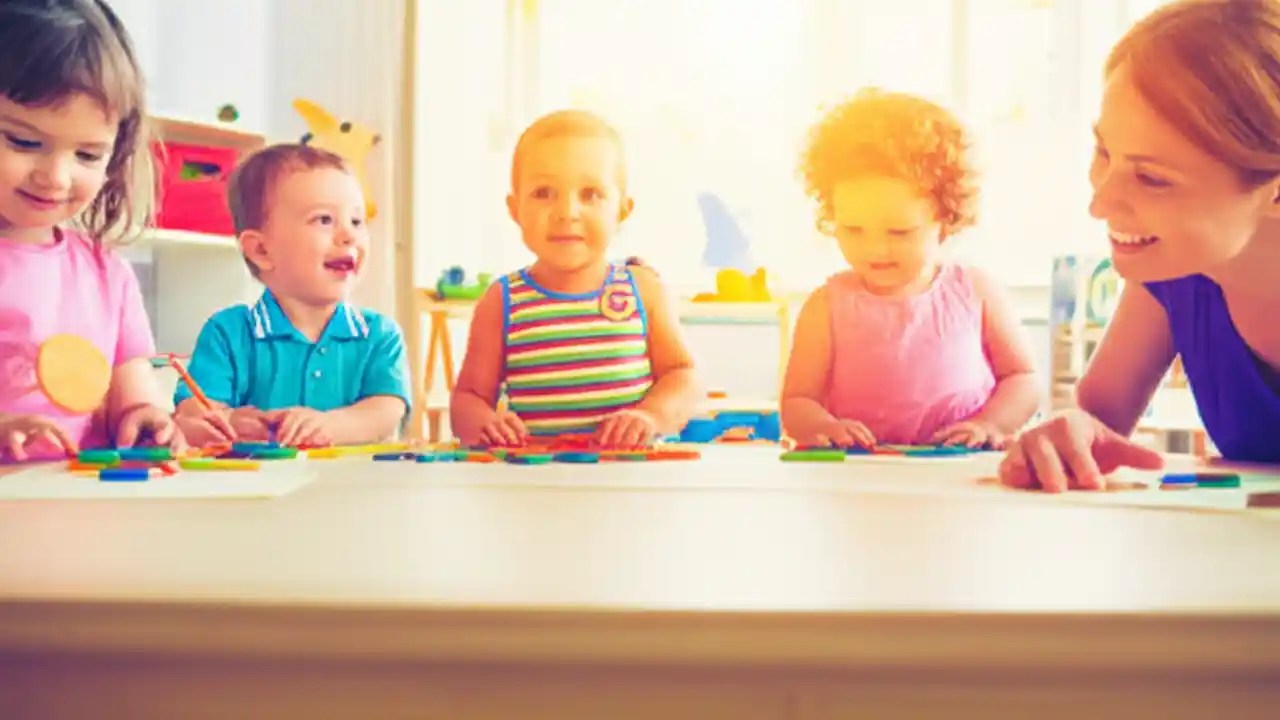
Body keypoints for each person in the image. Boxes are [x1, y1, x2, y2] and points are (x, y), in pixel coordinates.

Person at [1001, 0, 1280, 492]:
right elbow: (1097, 423)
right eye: (1104, 152)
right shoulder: (1176, 273)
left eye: (1151, 178)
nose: (1101, 202)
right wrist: (1067, 434)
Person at [783, 88, 1041, 449]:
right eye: (852, 229)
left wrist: (989, 424)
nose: (875, 248)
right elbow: (797, 403)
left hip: (962, 469)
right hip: (862, 475)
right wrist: (822, 426)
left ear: (946, 219)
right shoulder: (825, 306)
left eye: (900, 232)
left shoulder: (977, 292)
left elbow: (1023, 378)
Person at [450, 110, 701, 449]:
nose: (567, 212)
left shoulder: (643, 289)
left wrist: (651, 416)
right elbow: (468, 399)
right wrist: (485, 423)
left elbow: (683, 376)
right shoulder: (502, 300)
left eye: (590, 194)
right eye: (543, 193)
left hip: (632, 484)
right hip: (539, 485)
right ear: (515, 209)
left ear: (622, 210)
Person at [0, 0, 183, 461]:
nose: (56, 177)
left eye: (87, 155)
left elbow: (133, 388)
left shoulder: (108, 275)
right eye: (23, 141)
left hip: (79, 507)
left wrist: (146, 418)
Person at [173, 144, 411, 448]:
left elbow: (386, 412)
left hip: (354, 490)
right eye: (324, 220)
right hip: (258, 491)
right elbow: (193, 412)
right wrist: (229, 422)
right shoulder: (228, 332)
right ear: (261, 250)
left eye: (356, 221)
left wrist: (328, 426)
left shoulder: (379, 334)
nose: (348, 235)